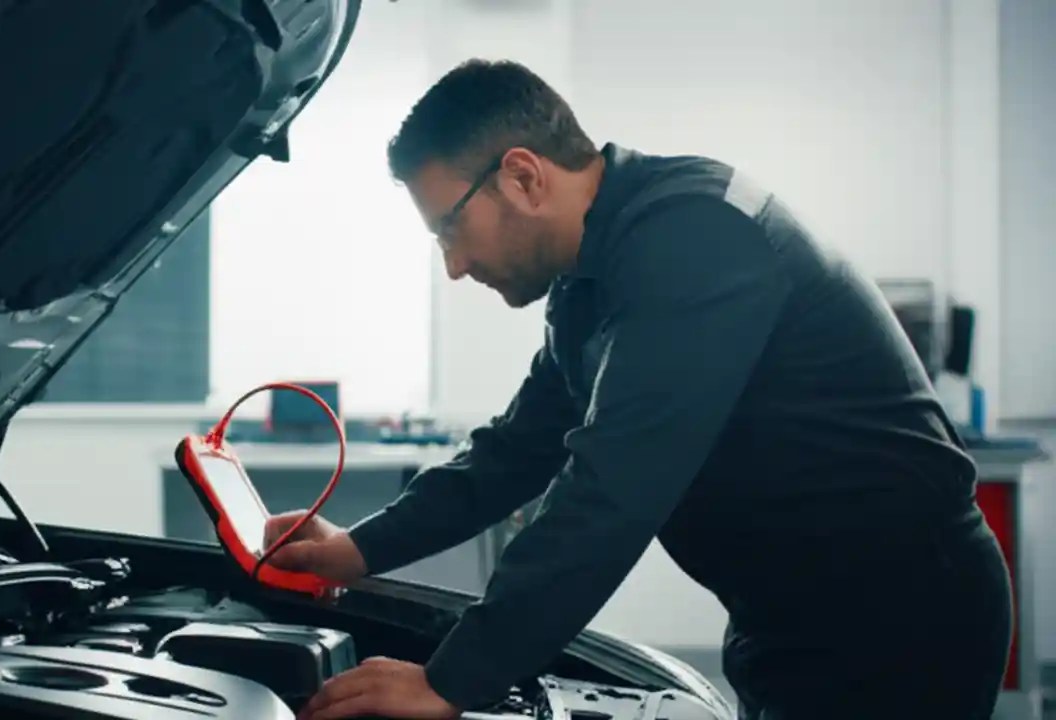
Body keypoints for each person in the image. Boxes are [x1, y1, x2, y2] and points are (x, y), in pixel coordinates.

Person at [262, 59, 1014, 720]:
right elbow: (515, 452)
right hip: (790, 623)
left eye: (449, 231)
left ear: (522, 177)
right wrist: (358, 549)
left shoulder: (695, 238)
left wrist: (452, 679)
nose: (455, 266)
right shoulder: (590, 282)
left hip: (899, 616)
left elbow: (612, 489)